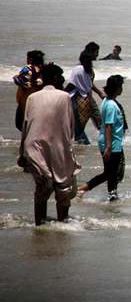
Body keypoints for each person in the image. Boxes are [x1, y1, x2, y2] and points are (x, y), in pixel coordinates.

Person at [18, 63, 78, 225]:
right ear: (57, 79)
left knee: (42, 188)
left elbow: (25, 126)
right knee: (62, 188)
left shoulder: (32, 97)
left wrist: (21, 153)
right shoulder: (65, 97)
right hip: (58, 146)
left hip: (34, 147)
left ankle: (40, 224)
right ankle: (63, 222)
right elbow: (70, 127)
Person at [77, 75, 126, 201]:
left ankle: (112, 196)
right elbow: (109, 126)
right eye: (121, 86)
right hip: (111, 143)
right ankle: (83, 188)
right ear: (117, 88)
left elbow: (103, 96)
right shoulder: (111, 106)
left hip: (110, 142)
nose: (122, 89)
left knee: (112, 173)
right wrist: (109, 147)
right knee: (109, 173)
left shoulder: (107, 100)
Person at [64, 51, 104, 144]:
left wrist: (62, 91)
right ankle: (106, 138)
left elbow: (72, 85)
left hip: (77, 99)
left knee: (78, 127)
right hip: (88, 98)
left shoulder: (77, 69)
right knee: (99, 122)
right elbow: (89, 86)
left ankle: (83, 146)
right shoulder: (89, 70)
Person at [13, 50, 45, 131]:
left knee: (21, 125)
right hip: (40, 102)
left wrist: (16, 77)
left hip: (26, 101)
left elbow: (19, 80)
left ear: (31, 59)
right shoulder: (44, 70)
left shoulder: (28, 69)